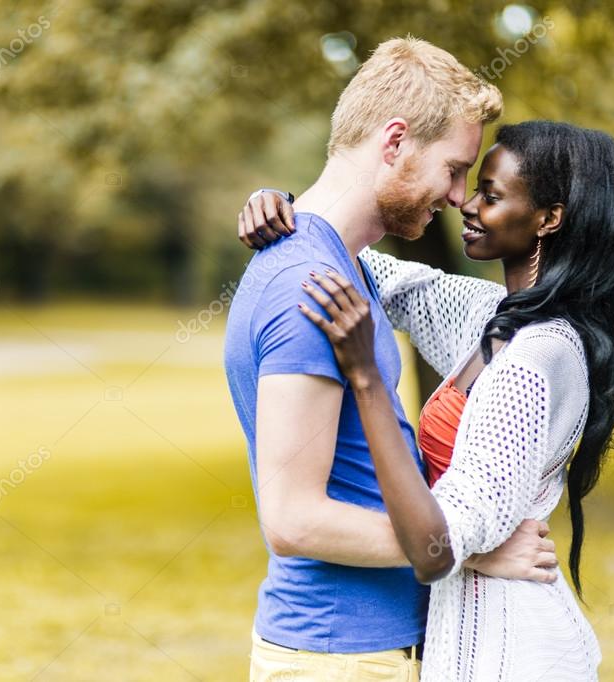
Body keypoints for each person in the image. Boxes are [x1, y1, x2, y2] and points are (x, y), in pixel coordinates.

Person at [238, 120, 614, 680]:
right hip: (465, 631)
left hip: (514, 648)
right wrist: (283, 209)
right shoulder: (489, 313)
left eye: (491, 196)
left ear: (549, 218)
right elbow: (361, 263)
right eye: (469, 184)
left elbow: (435, 548)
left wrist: (367, 379)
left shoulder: (536, 359)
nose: (465, 204)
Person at [224, 37, 559, 682]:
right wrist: (462, 548)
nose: (461, 195)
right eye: (456, 168)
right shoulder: (310, 290)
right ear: (395, 140)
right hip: (341, 656)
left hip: (365, 651)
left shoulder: (346, 268)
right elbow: (293, 519)